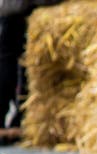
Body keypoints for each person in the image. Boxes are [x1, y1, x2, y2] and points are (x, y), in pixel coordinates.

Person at [0, 0, 61, 143]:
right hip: (24, 7)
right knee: (17, 58)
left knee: (12, 57)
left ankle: (16, 119)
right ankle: (18, 120)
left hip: (16, 8)